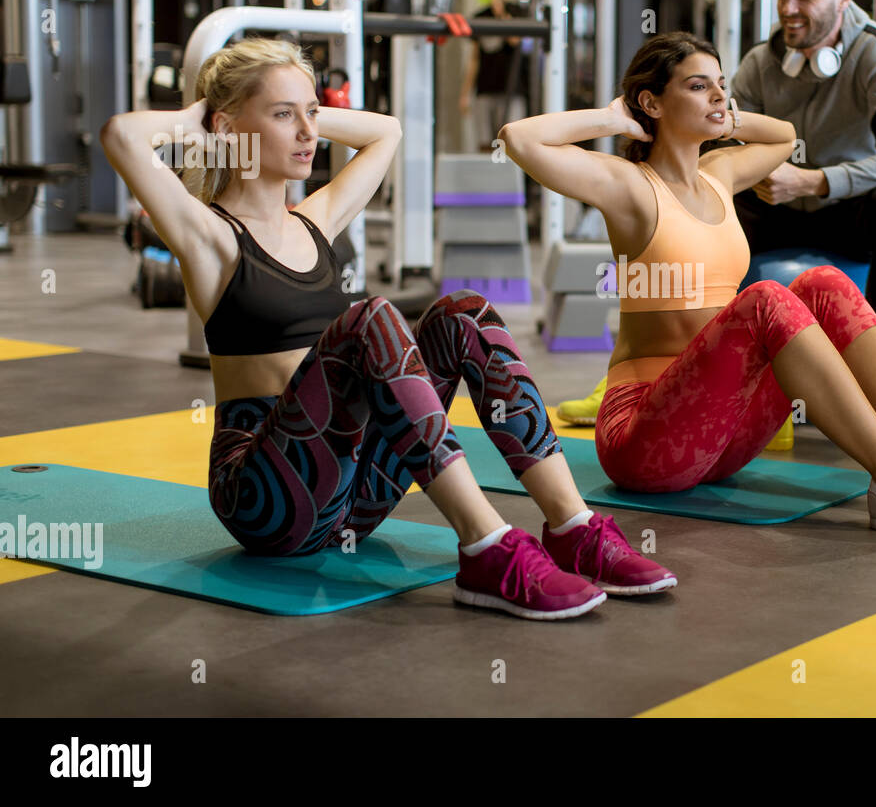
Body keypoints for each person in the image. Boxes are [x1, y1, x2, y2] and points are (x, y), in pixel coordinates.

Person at [99, 37, 674, 621]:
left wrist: (289, 101)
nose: (308, 133)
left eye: (312, 114)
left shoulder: (315, 222)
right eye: (282, 116)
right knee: (369, 318)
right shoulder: (211, 238)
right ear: (226, 126)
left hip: (353, 498)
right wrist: (202, 121)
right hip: (266, 501)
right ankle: (486, 547)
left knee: (464, 312)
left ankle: (572, 527)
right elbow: (122, 137)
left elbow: (387, 131)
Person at [502, 32, 876, 532]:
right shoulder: (629, 186)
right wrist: (615, 118)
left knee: (825, 284)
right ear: (652, 103)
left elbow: (785, 136)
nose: (719, 95)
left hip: (723, 438)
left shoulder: (718, 174)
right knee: (766, 298)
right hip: (645, 440)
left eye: (722, 83)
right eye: (699, 85)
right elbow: (519, 138)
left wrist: (729, 115)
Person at [557, 0, 876, 425]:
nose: (788, 9)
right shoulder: (759, 61)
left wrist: (816, 182)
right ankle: (649, 369)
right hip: (773, 205)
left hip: (843, 209)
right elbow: (715, 140)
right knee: (680, 211)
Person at [460, 0, 530, 153]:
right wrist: (465, 93)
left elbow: (515, 41)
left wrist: (499, 11)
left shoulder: (517, 11)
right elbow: (475, 58)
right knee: (485, 143)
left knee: (513, 143)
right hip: (485, 88)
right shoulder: (479, 16)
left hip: (512, 88)